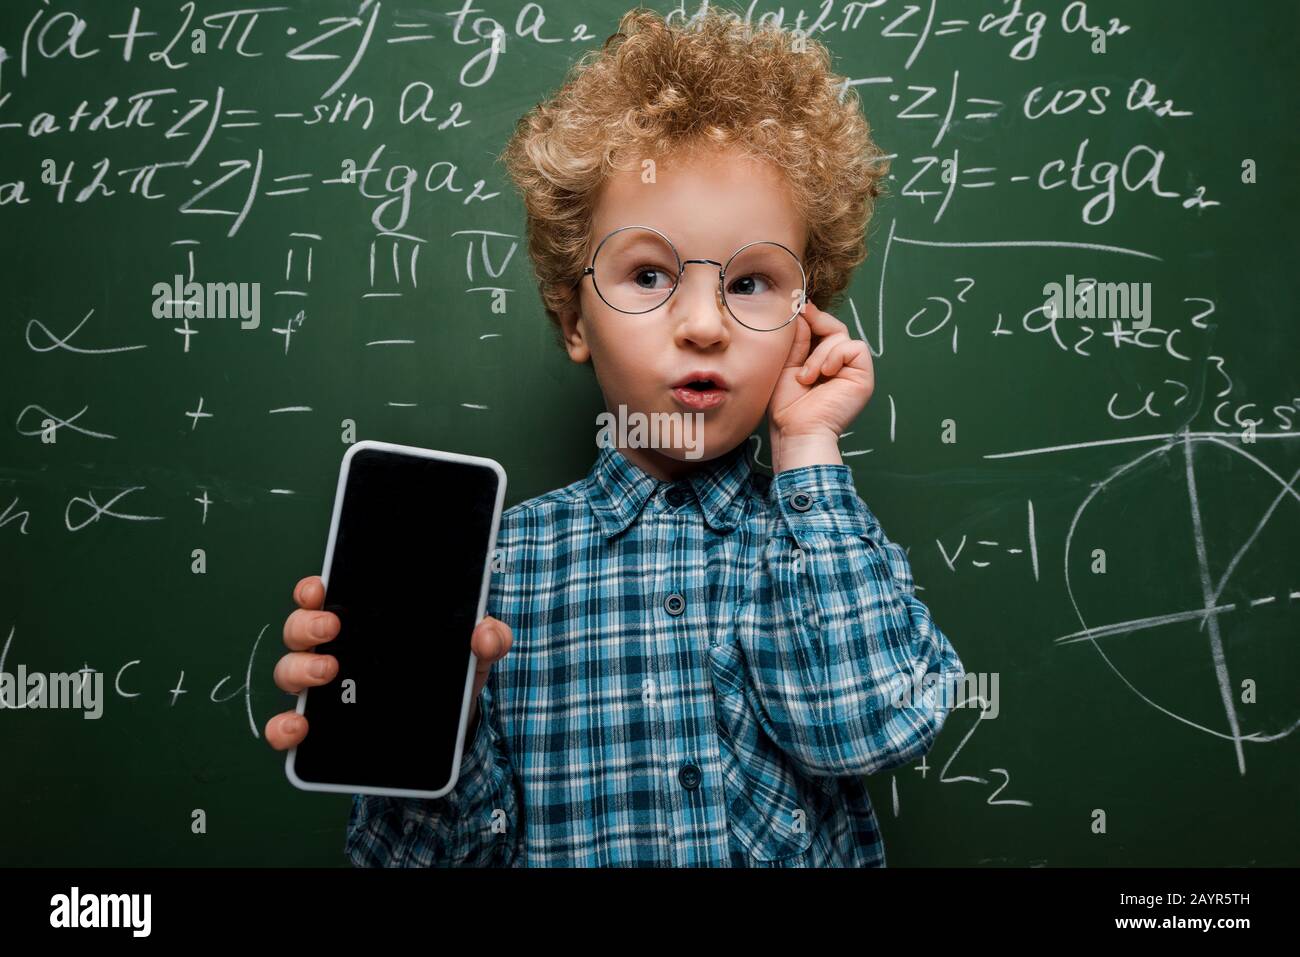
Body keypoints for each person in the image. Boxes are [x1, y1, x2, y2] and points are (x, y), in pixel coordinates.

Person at [265, 7, 964, 867]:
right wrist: (439, 722)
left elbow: (872, 730)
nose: (704, 324)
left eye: (750, 281)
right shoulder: (492, 573)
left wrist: (809, 447)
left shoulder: (821, 541)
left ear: (803, 321)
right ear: (574, 318)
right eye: (648, 274)